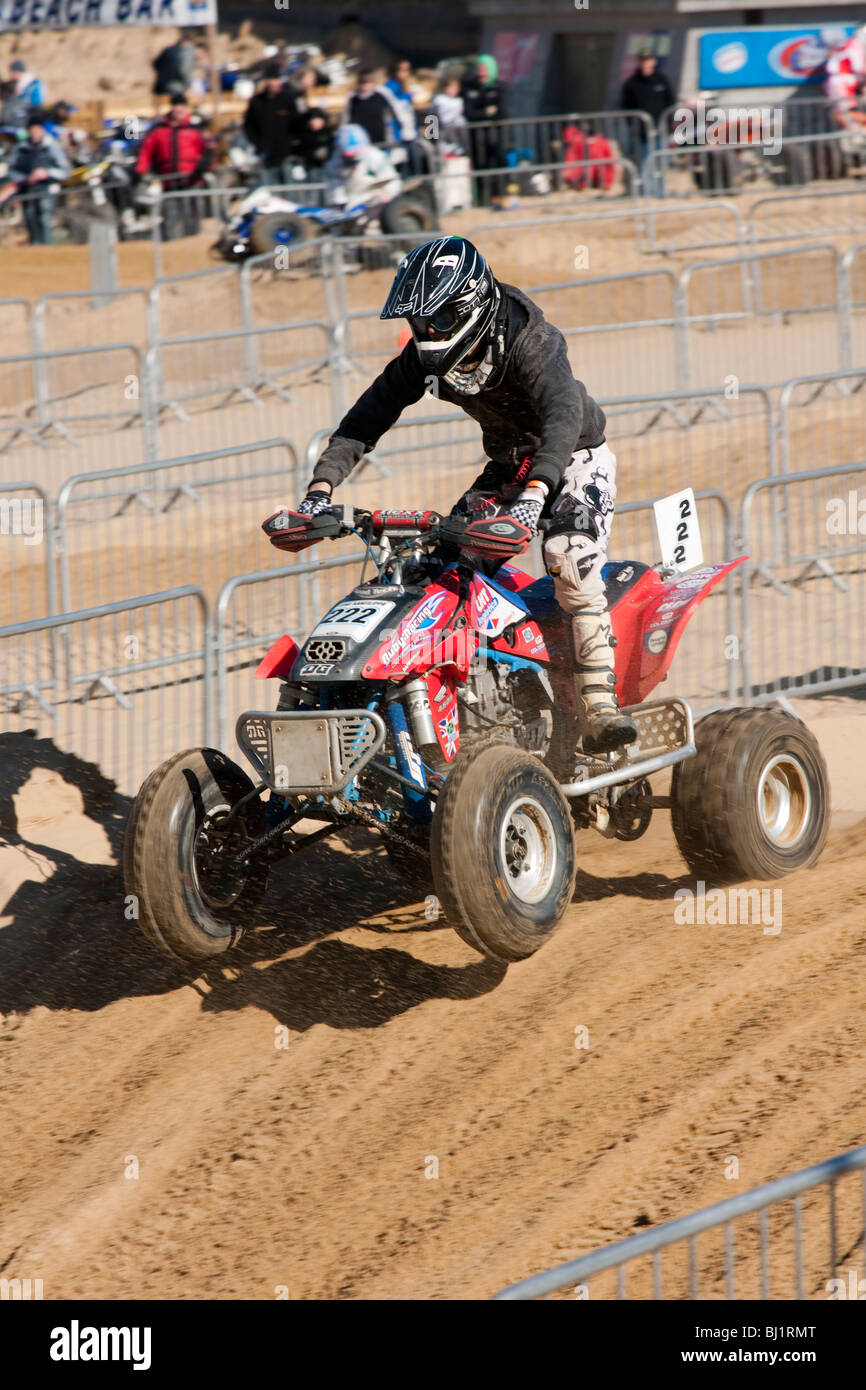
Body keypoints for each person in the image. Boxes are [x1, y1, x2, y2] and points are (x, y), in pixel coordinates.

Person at [289, 237, 638, 757]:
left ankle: (598, 701)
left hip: (573, 457)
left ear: (470, 306)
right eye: (420, 324)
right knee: (443, 567)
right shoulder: (423, 357)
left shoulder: (531, 339)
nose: (428, 335)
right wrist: (320, 488)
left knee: (569, 556)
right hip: (508, 466)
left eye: (438, 321)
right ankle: (453, 702)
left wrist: (539, 489)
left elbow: (563, 413)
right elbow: (368, 416)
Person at [135, 94, 210, 237]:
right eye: (176, 106)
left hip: (191, 181)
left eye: (182, 107)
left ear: (186, 109)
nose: (179, 110)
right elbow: (145, 152)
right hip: (168, 182)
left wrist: (203, 168)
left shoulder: (195, 130)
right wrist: (140, 171)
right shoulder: (158, 130)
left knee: (193, 220)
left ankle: (193, 240)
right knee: (172, 219)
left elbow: (208, 151)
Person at [5, 112, 70, 244]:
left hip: (46, 187)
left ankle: (47, 247)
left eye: (37, 130)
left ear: (42, 130)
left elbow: (65, 170)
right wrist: (25, 178)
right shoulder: (21, 148)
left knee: (44, 217)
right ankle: (35, 247)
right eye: (32, 131)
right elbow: (12, 170)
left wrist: (46, 173)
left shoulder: (51, 146)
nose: (35, 134)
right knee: (30, 218)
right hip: (27, 189)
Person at [621, 49, 674, 189]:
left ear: (653, 61)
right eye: (643, 60)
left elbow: (671, 103)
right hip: (642, 133)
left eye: (648, 60)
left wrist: (668, 124)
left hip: (661, 130)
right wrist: (634, 126)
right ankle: (648, 192)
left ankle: (660, 193)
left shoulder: (662, 80)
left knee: (661, 162)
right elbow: (626, 107)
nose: (645, 63)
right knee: (645, 162)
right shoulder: (632, 83)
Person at [461, 55, 507, 202]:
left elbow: (503, 112)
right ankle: (481, 197)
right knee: (479, 165)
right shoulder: (439, 102)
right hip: (465, 137)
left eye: (485, 70)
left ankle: (498, 194)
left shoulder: (499, 87)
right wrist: (432, 137)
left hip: (491, 135)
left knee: (497, 162)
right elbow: (467, 113)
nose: (481, 73)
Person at [242, 63, 297, 185]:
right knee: (268, 189)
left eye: (275, 79)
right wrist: (259, 144)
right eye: (270, 79)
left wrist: (291, 144)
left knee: (289, 187)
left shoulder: (288, 99)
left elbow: (296, 124)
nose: (273, 83)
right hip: (265, 155)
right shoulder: (256, 102)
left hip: (285, 154)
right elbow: (248, 126)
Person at [324, 123, 401, 207]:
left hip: (376, 201)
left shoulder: (375, 156)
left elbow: (390, 178)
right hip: (351, 202)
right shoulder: (336, 161)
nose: (354, 155)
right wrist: (339, 201)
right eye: (350, 153)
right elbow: (335, 182)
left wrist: (387, 194)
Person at [383, 58, 424, 173]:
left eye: (408, 69)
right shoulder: (390, 88)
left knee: (415, 167)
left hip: (410, 135)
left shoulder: (403, 87)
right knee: (401, 170)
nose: (407, 73)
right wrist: (410, 96)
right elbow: (397, 106)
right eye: (403, 70)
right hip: (399, 136)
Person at [824, 25, 866, 131]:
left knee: (843, 112)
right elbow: (859, 67)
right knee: (842, 112)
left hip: (841, 82)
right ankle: (857, 131)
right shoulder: (856, 45)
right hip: (842, 83)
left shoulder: (848, 44)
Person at [345, 69, 397, 148]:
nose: (365, 86)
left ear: (373, 83)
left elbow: (395, 113)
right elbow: (346, 119)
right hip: (360, 143)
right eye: (362, 83)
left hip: (381, 139)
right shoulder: (353, 99)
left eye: (368, 82)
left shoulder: (381, 95)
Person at [152, 34, 196, 102]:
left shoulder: (168, 50)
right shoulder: (184, 52)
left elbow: (156, 63)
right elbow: (183, 70)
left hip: (162, 82)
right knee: (179, 103)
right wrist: (188, 85)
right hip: (177, 83)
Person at [431, 76, 468, 154]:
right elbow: (431, 116)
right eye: (449, 87)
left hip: (458, 134)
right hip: (443, 134)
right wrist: (431, 135)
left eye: (454, 87)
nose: (451, 90)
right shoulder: (439, 99)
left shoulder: (460, 100)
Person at [3, 59, 44, 128]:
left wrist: (20, 95)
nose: (11, 75)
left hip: (30, 113)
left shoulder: (33, 83)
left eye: (12, 72)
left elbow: (36, 101)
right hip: (23, 111)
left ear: (17, 71)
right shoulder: (17, 83)